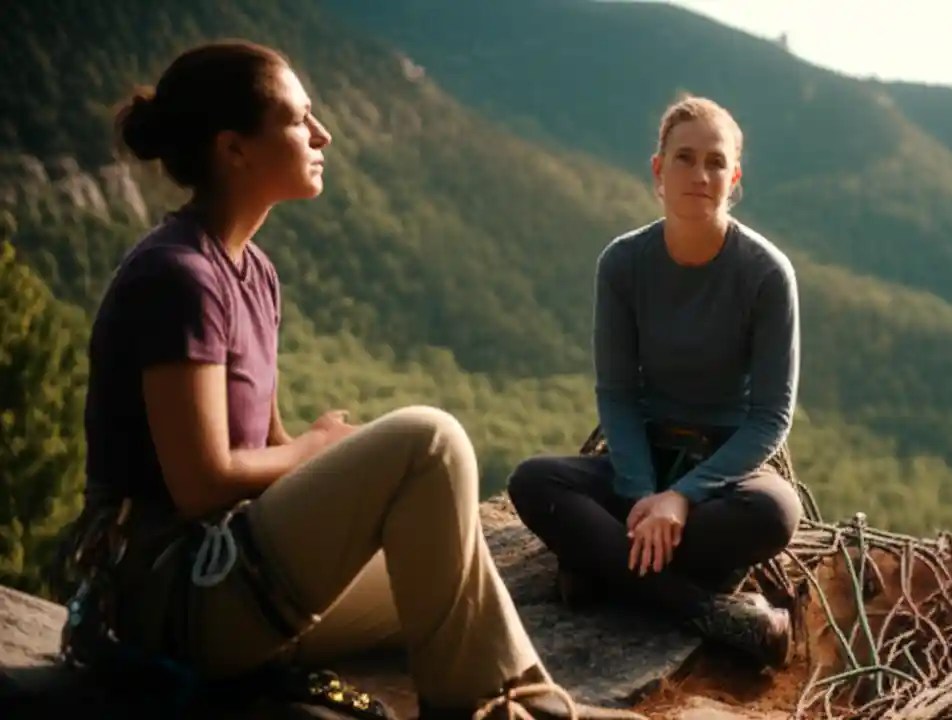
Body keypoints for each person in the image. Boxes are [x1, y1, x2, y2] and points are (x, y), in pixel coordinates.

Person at [61, 40, 642, 720]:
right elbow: (201, 482)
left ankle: (523, 700)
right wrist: (321, 447)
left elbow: (266, 450)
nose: (322, 134)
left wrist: (338, 460)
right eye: (297, 118)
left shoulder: (253, 274)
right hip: (175, 602)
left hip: (235, 575)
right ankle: (483, 710)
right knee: (430, 439)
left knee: (442, 566)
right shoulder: (177, 277)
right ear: (234, 149)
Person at [507, 96, 803, 669]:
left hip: (722, 472)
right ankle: (708, 609)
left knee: (774, 514)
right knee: (534, 481)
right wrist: (644, 493)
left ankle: (602, 563)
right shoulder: (623, 263)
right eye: (684, 158)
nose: (699, 174)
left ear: (734, 178)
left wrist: (682, 498)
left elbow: (770, 417)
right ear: (658, 169)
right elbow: (617, 394)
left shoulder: (766, 274)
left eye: (715, 162)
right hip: (638, 460)